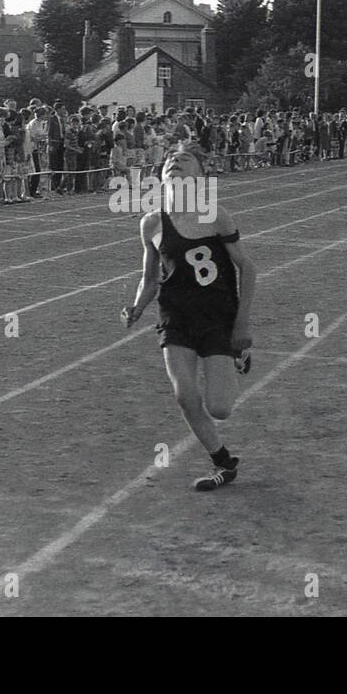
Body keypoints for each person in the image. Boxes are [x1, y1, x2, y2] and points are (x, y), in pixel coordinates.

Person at [122, 145, 258, 492]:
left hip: (217, 315)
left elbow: (247, 267)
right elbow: (151, 277)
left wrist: (242, 326)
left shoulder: (215, 215)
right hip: (176, 314)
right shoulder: (151, 222)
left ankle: (237, 356)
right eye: (170, 159)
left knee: (220, 408)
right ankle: (223, 462)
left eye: (184, 159)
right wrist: (137, 307)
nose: (174, 163)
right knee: (184, 395)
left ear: (200, 175)